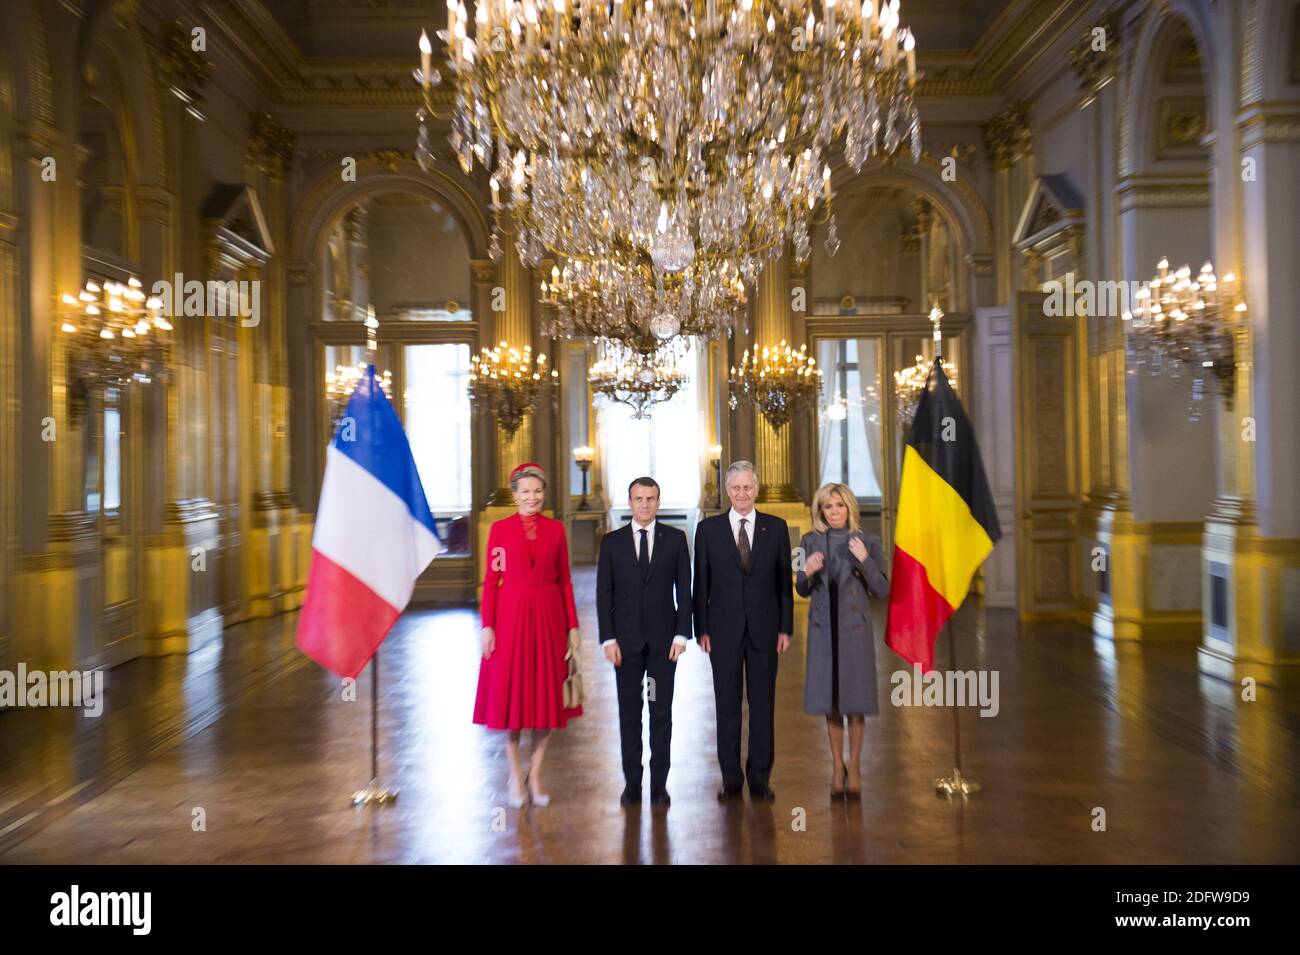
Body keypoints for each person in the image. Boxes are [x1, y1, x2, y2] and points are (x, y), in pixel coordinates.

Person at [473, 462, 582, 808]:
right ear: (515, 494)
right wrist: (487, 625)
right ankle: (513, 772)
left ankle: (534, 776)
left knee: (545, 699)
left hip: (549, 618)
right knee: (512, 697)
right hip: (510, 618)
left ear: (542, 494)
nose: (532, 497)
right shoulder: (500, 531)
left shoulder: (555, 531)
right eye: (525, 492)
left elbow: (565, 580)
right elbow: (492, 581)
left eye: (537, 492)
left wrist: (573, 626)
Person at [692, 460, 793, 802]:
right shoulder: (708, 531)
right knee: (728, 706)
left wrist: (785, 627)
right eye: (735, 488)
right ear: (727, 491)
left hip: (766, 631)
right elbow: (700, 585)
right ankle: (731, 779)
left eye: (748, 487)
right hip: (722, 632)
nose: (742, 494)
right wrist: (701, 628)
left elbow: (784, 585)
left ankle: (760, 778)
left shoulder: (776, 528)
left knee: (763, 706)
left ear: (757, 488)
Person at [596, 477, 692, 807]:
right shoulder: (612, 543)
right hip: (626, 647)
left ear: (658, 502)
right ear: (630, 501)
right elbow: (603, 593)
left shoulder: (676, 540)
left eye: (651, 498)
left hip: (664, 646)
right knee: (630, 715)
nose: (645, 504)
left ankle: (659, 785)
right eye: (639, 498)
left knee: (660, 715)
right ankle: (632, 784)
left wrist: (681, 635)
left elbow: (685, 591)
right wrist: (608, 638)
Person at [795, 483, 889, 800]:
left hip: (854, 632)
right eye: (828, 506)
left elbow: (882, 589)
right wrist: (805, 572)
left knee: (856, 701)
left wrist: (865, 560)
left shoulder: (868, 541)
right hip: (823, 632)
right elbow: (801, 589)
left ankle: (856, 766)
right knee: (831, 702)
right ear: (820, 510)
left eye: (839, 505)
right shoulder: (808, 541)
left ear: (850, 508)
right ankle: (837, 768)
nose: (834, 512)